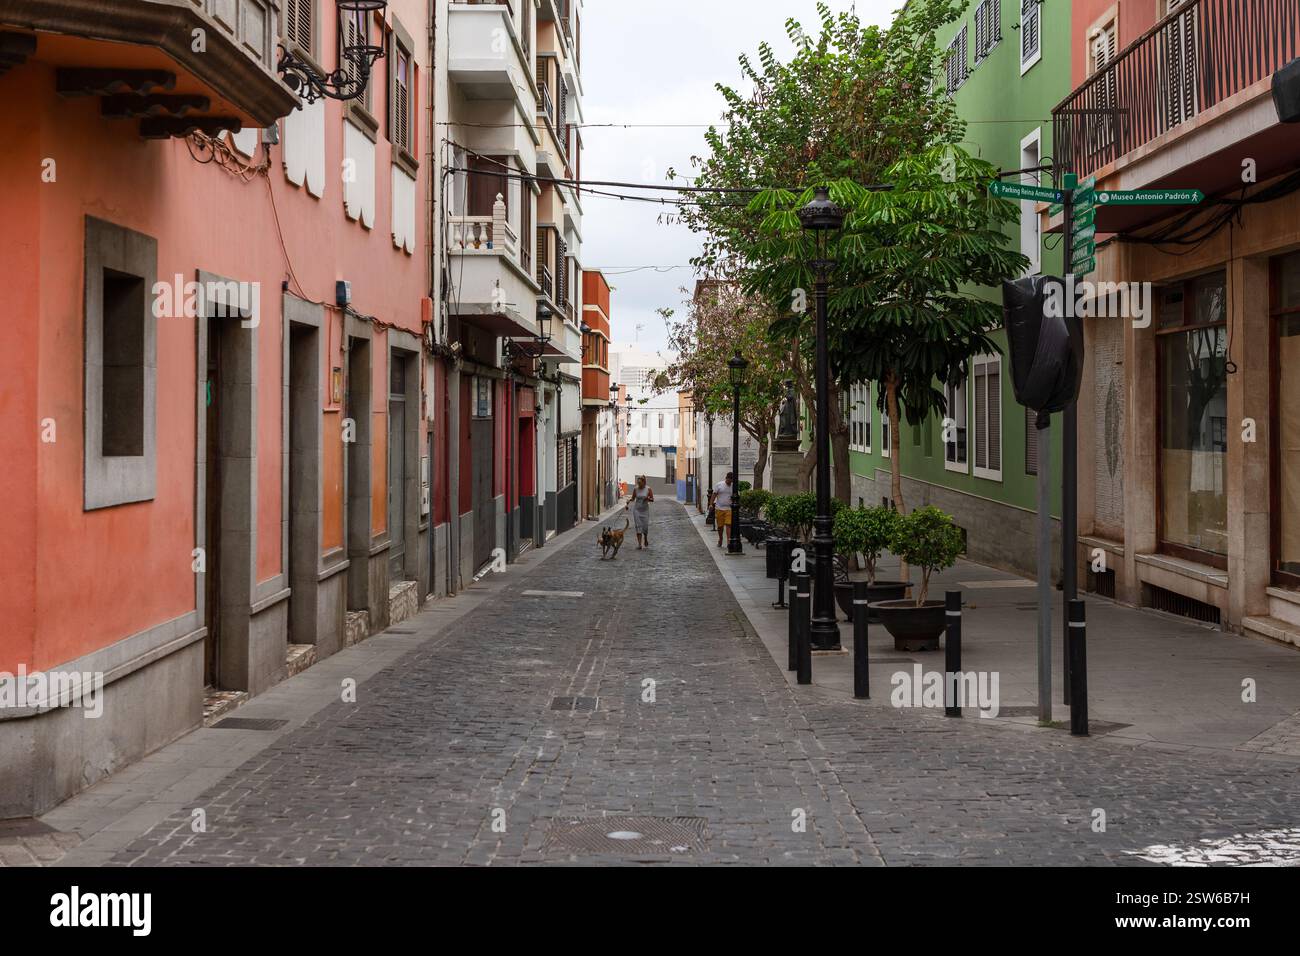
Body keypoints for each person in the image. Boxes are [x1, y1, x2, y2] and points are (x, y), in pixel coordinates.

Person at [627, 475, 654, 549]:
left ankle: (645, 538)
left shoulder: (648, 489)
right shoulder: (636, 489)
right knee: (638, 527)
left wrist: (648, 498)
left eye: (640, 483)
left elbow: (652, 499)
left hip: (645, 511)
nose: (639, 484)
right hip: (637, 510)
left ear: (644, 482)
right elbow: (633, 498)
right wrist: (629, 501)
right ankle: (639, 544)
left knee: (645, 527)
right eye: (638, 483)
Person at [711, 472, 736, 549]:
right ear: (726, 478)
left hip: (729, 509)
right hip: (719, 508)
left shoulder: (733, 486)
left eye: (731, 481)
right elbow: (714, 495)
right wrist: (711, 504)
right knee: (720, 527)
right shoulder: (719, 485)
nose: (730, 482)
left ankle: (728, 542)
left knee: (728, 525)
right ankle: (720, 538)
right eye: (729, 480)